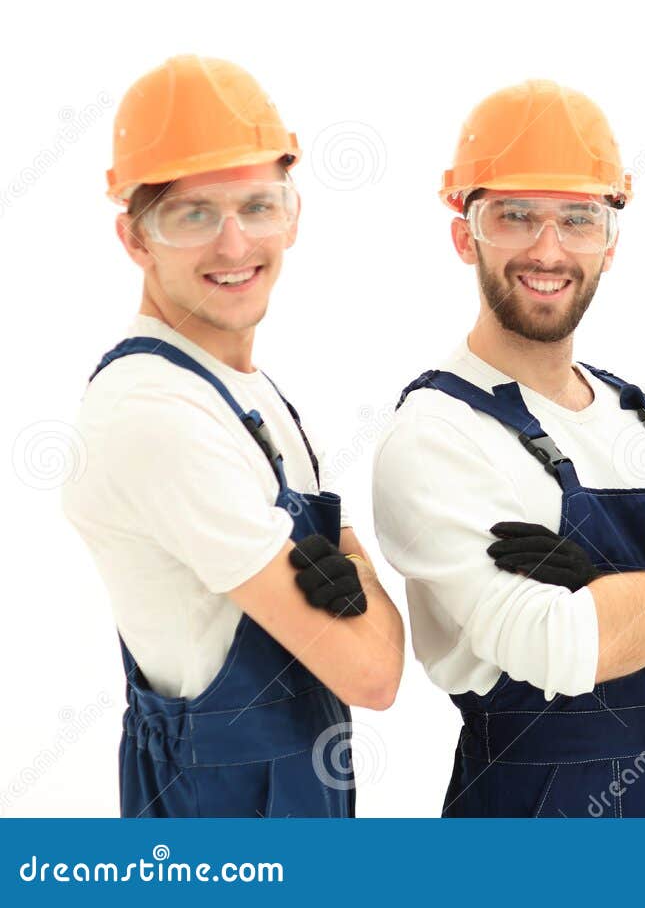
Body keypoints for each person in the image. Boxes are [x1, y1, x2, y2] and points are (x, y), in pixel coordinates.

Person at [373, 79, 645, 817]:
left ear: (610, 240)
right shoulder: (436, 435)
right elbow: (559, 649)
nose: (548, 247)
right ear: (464, 233)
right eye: (516, 216)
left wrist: (607, 593)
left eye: (578, 218)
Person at [64, 54, 404, 818]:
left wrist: (351, 574)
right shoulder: (155, 414)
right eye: (192, 213)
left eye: (258, 205)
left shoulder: (242, 390)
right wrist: (364, 578)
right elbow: (373, 673)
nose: (233, 243)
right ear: (134, 236)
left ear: (294, 212)